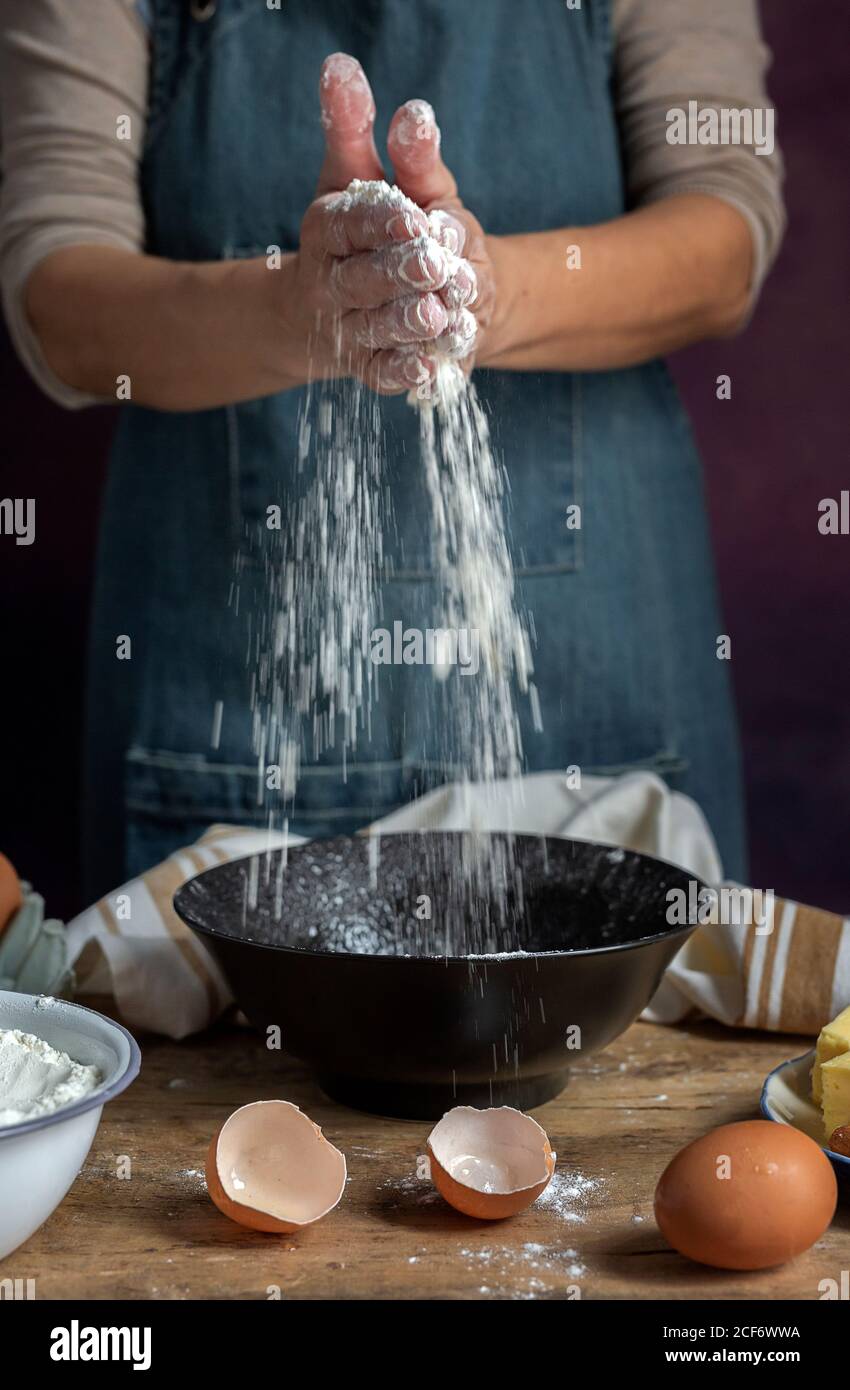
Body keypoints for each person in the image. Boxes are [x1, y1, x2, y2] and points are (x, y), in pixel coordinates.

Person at [0, 1, 784, 897]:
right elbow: (58, 287)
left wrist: (489, 297)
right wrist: (300, 314)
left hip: (595, 710)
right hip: (231, 730)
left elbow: (724, 233)